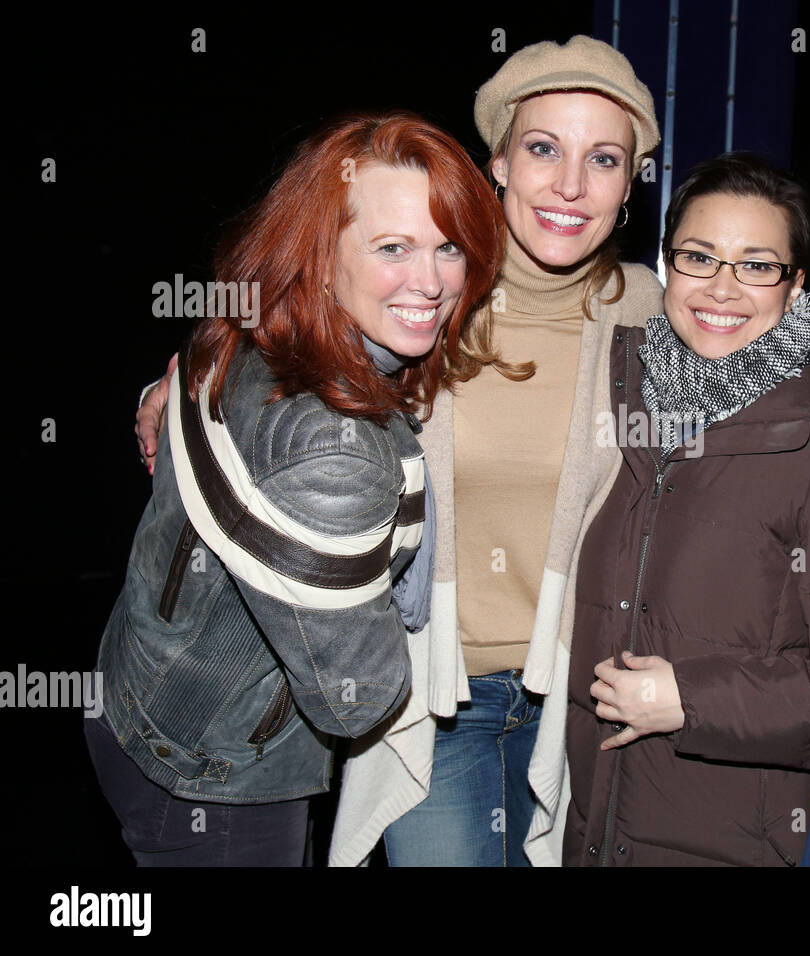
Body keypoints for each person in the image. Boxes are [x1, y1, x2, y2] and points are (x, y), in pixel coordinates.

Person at [130, 35, 663, 865]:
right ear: (497, 162)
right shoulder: (431, 291)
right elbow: (278, 331)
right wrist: (170, 391)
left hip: (580, 699)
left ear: (631, 184)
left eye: (604, 159)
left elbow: (790, 390)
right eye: (543, 149)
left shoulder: (659, 316)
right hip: (429, 701)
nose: (569, 185)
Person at [89, 112, 504, 865]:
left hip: (140, 693)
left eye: (449, 247)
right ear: (321, 252)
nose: (433, 281)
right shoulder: (334, 455)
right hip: (217, 774)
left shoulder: (251, 320)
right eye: (392, 248)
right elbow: (354, 696)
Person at [548, 153, 810, 866]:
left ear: (795, 285)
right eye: (699, 257)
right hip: (600, 831)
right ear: (666, 265)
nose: (722, 288)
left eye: (756, 265)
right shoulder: (617, 408)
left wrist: (691, 697)